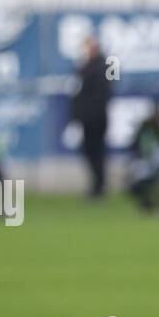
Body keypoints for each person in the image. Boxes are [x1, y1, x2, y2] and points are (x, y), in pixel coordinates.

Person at [71, 35, 112, 199]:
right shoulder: (84, 66)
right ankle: (96, 185)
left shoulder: (106, 63)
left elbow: (107, 89)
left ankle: (99, 186)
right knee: (89, 151)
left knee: (97, 151)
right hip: (86, 117)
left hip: (97, 117)